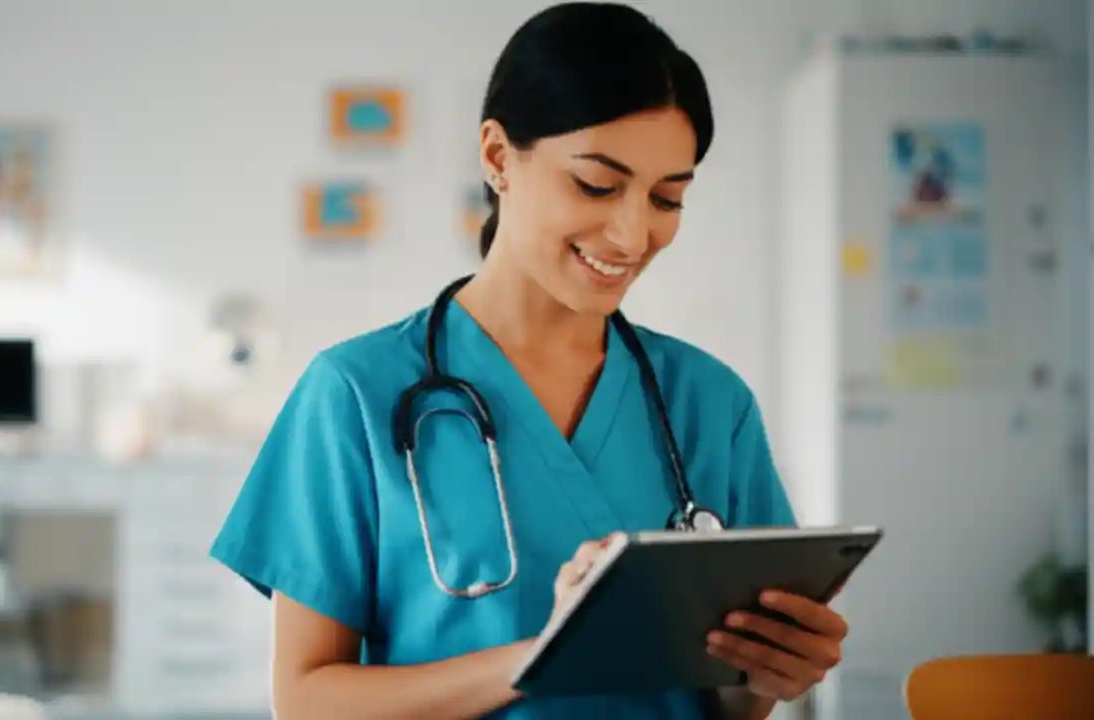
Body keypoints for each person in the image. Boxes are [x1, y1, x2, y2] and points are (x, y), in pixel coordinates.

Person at [210, 3, 849, 718]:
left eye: (667, 198)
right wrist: (546, 654)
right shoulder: (355, 395)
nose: (633, 234)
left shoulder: (709, 402)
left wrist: (768, 675)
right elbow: (305, 702)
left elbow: (725, 702)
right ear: (496, 157)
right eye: (597, 185)